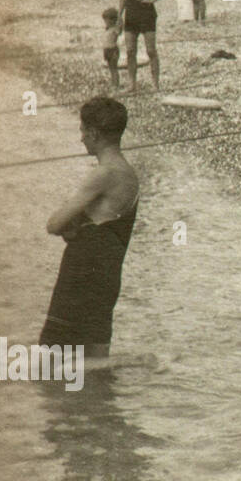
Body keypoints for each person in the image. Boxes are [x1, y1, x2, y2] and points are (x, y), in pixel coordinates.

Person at [40, 98, 139, 358]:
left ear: (94, 133)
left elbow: (54, 224)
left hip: (82, 276)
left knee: (53, 361)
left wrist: (71, 225)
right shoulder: (129, 175)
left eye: (83, 131)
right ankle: (96, 399)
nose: (81, 138)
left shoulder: (104, 173)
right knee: (95, 355)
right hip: (106, 275)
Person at [100, 8, 120, 89]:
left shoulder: (114, 29)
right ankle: (113, 83)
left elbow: (119, 31)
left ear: (112, 20)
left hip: (113, 50)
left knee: (114, 68)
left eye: (106, 21)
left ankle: (116, 84)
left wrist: (119, 21)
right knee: (111, 68)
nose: (105, 23)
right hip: (107, 50)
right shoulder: (108, 29)